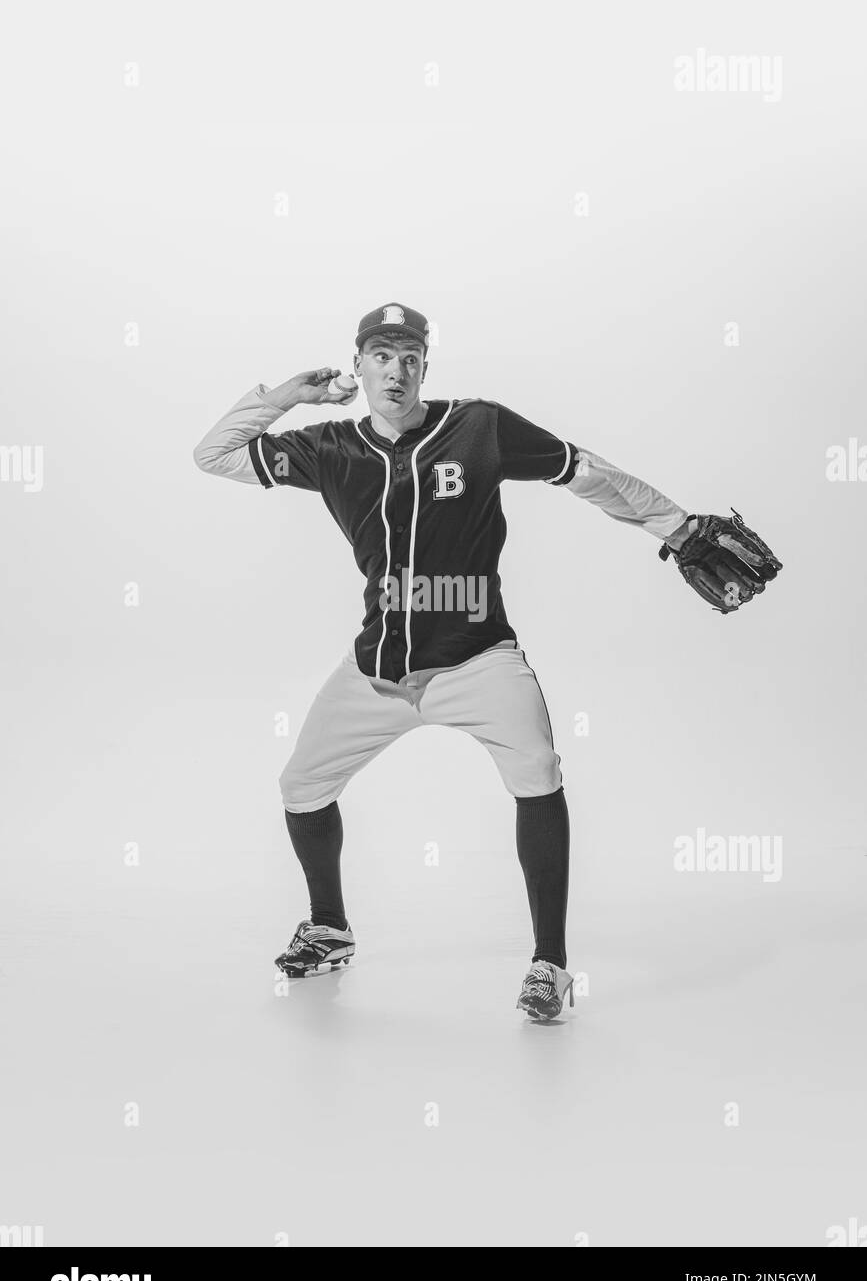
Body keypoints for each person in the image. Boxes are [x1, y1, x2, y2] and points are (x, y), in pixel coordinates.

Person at [193, 301, 700, 1020]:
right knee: (302, 787)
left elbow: (584, 471)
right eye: (380, 355)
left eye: (409, 356)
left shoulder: (479, 428)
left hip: (478, 661)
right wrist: (283, 398)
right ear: (359, 364)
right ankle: (329, 928)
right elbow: (211, 456)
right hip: (379, 673)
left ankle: (549, 965)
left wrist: (674, 525)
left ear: (425, 365)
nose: (395, 369)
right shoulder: (329, 447)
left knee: (538, 774)